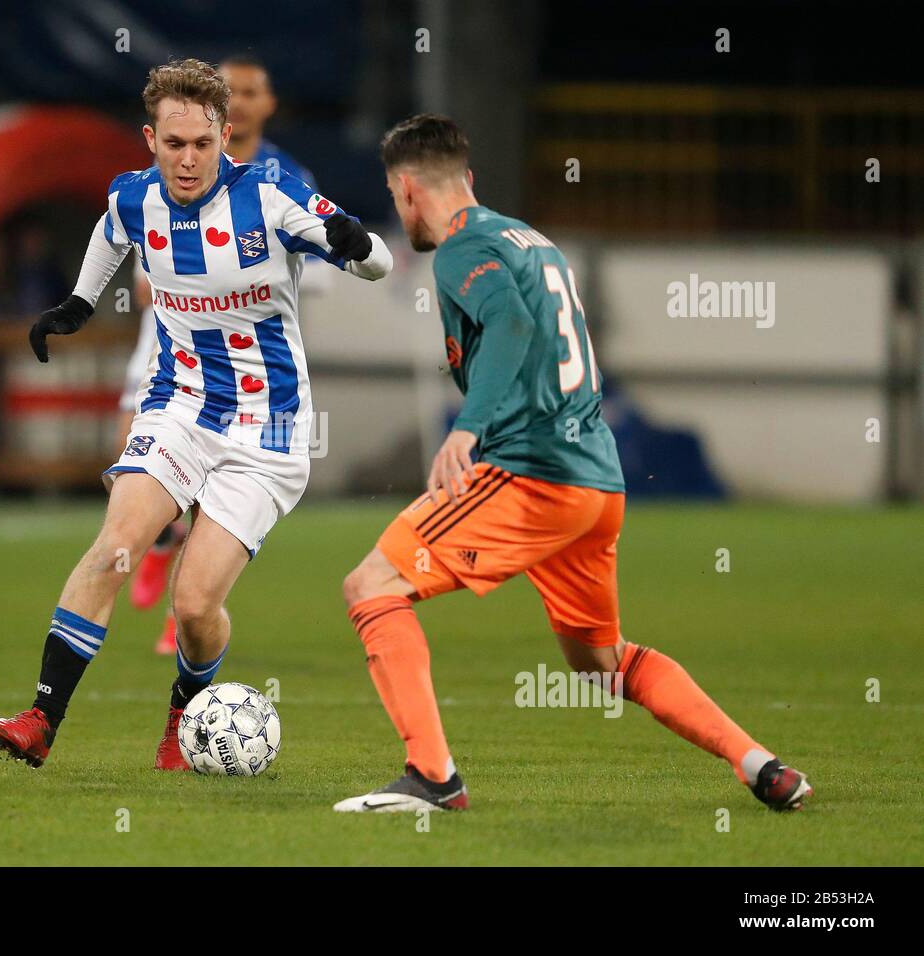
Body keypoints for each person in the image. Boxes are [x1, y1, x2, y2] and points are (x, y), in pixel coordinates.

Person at [333, 114, 811, 813]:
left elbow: (514, 325)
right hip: (595, 481)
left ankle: (433, 777)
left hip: (531, 473)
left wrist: (468, 428)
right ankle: (759, 763)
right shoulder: (532, 240)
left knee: (371, 585)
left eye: (392, 192)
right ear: (468, 177)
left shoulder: (463, 249)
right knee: (602, 661)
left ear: (406, 191)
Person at [0, 59, 392, 770]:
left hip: (268, 430)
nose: (187, 158)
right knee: (115, 543)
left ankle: (183, 714)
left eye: (201, 144)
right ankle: (41, 719)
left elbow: (378, 258)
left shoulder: (269, 195)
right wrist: (80, 304)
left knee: (196, 606)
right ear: (151, 139)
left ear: (224, 136)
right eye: (173, 144)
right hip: (180, 404)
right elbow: (111, 232)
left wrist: (358, 249)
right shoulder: (133, 198)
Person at [120, 54, 318, 656]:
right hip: (168, 351)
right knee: (127, 465)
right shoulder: (166, 178)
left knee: (215, 491)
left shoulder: (286, 177)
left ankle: (180, 606)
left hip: (250, 362)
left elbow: (321, 262)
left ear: (264, 106)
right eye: (231, 89)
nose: (241, 97)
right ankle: (158, 546)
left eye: (251, 90)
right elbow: (140, 282)